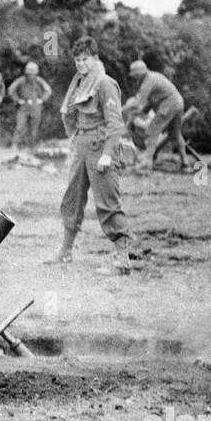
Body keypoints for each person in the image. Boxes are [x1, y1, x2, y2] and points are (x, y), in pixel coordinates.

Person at [53, 36, 132, 273]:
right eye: (77, 59)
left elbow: (116, 124)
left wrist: (108, 154)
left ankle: (122, 259)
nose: (81, 64)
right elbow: (70, 114)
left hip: (101, 145)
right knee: (72, 199)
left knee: (107, 202)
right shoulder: (79, 83)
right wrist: (75, 139)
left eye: (85, 59)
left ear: (95, 58)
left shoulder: (105, 83)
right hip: (82, 144)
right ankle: (65, 252)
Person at [123, 60, 188, 170]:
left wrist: (122, 109)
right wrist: (136, 114)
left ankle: (146, 163)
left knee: (151, 131)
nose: (134, 79)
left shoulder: (148, 81)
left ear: (140, 73)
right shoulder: (153, 78)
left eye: (135, 76)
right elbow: (147, 104)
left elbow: (138, 102)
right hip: (178, 103)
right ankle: (185, 164)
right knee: (175, 134)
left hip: (169, 105)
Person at [7, 61, 53, 151]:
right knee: (20, 125)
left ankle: (31, 146)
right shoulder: (21, 80)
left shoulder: (39, 80)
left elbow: (48, 90)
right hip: (24, 105)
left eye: (33, 74)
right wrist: (17, 100)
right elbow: (11, 90)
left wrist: (42, 99)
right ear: (26, 73)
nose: (31, 76)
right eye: (29, 74)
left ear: (36, 73)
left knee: (34, 127)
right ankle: (15, 145)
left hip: (36, 105)